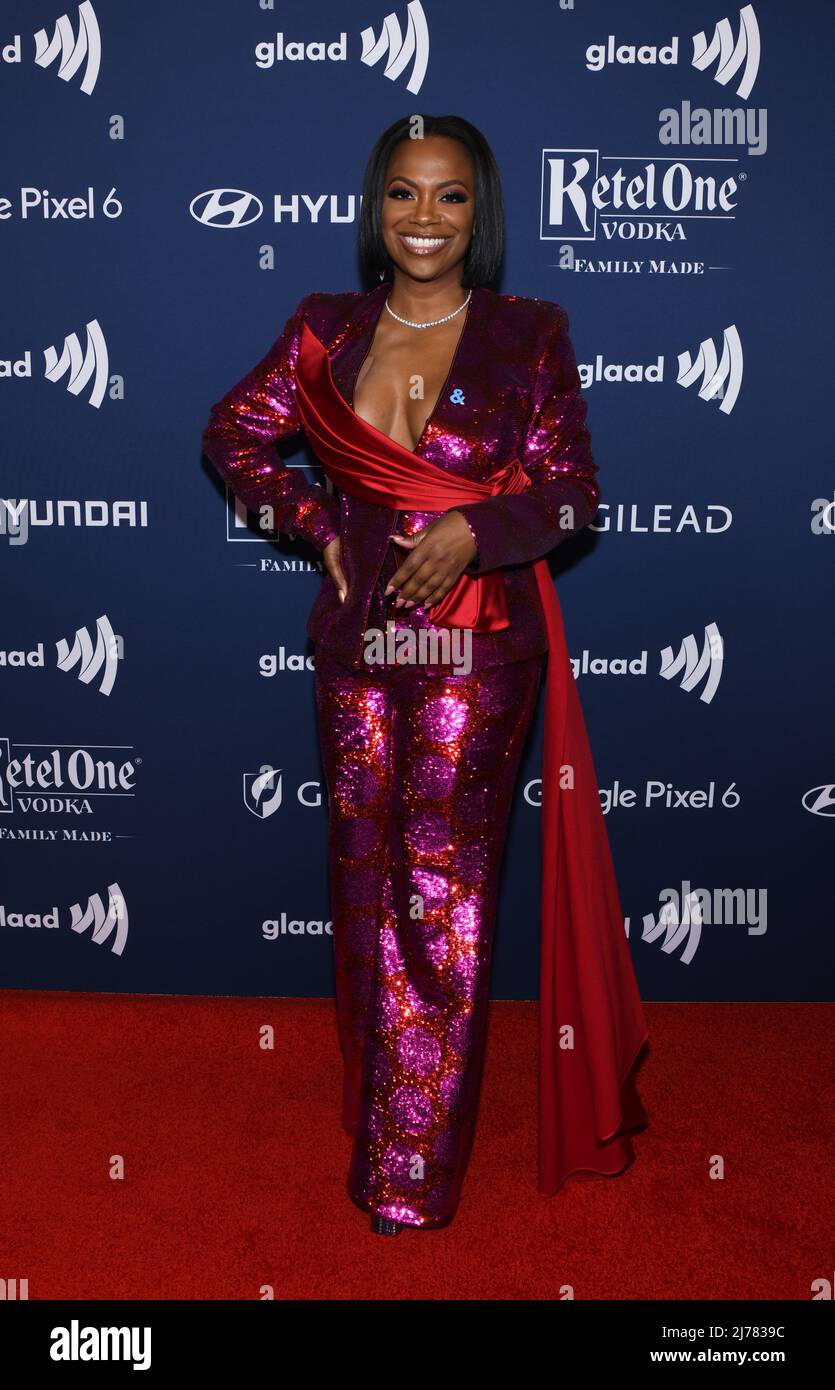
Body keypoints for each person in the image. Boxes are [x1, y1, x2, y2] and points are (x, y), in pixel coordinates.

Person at [201, 113, 649, 1235]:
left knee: (437, 898)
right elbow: (232, 438)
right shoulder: (323, 330)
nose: (425, 218)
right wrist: (311, 516)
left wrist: (478, 531)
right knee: (362, 887)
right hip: (358, 648)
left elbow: (571, 491)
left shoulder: (528, 335)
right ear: (375, 205)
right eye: (404, 193)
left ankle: (412, 1166)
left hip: (472, 649)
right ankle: (379, 1093)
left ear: (478, 211)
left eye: (450, 196)